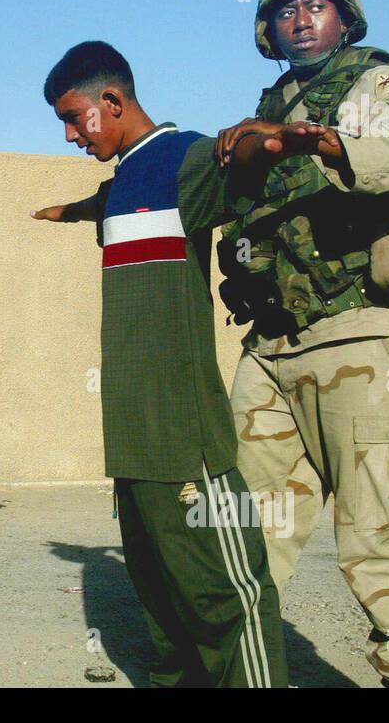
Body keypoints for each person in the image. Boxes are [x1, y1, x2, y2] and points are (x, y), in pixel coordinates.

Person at [211, 0, 389, 687]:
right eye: (286, 10)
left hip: (354, 332)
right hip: (269, 347)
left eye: (317, 6)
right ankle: (246, 672)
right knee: (246, 530)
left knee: (374, 532)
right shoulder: (269, 104)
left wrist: (324, 144)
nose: (301, 18)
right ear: (268, 28)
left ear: (345, 18)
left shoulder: (373, 84)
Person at [33, 41, 287, 687]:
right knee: (162, 607)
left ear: (111, 101)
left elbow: (247, 158)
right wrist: (72, 211)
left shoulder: (185, 157)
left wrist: (267, 136)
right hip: (133, 439)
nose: (69, 134)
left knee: (227, 597)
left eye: (73, 117)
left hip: (183, 436)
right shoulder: (124, 182)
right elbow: (111, 202)